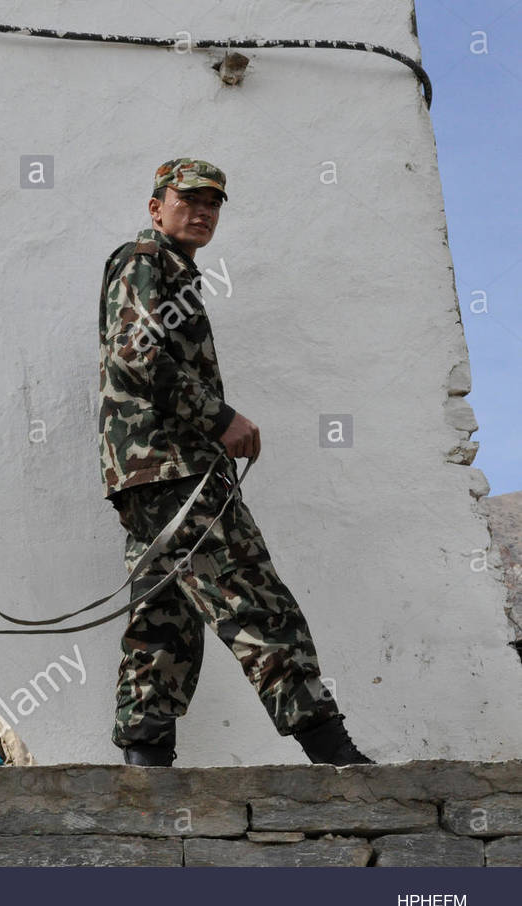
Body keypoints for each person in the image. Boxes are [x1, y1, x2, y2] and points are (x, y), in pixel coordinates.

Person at [98, 158, 371, 767]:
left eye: (214, 203)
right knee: (254, 596)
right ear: (156, 206)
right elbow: (134, 353)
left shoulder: (174, 273)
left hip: (149, 477)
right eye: (188, 198)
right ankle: (336, 757)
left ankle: (145, 770)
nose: (202, 211)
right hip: (175, 469)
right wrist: (221, 420)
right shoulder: (145, 260)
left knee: (164, 618)